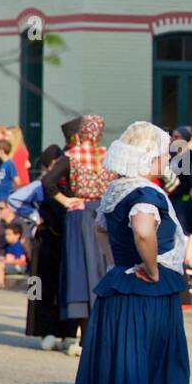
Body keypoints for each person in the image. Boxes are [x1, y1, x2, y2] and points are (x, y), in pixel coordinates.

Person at [62, 122, 189, 384]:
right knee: (139, 378)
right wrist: (149, 267)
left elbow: (102, 233)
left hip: (118, 288)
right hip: (145, 295)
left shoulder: (115, 189)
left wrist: (120, 264)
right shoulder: (146, 192)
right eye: (163, 152)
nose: (167, 158)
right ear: (149, 155)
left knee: (114, 376)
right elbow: (145, 230)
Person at [28, 119, 83, 351]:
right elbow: (19, 198)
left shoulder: (77, 170)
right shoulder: (54, 176)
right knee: (40, 285)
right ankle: (43, 330)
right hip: (48, 237)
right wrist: (31, 217)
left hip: (67, 236)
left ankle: (69, 332)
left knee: (70, 285)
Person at [59, 115, 114, 333]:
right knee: (101, 266)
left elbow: (47, 181)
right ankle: (102, 322)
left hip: (81, 215)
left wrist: (65, 200)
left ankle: (80, 327)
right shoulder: (108, 155)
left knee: (80, 269)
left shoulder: (72, 156)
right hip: (103, 213)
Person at [0, 138, 18, 219]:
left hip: (4, 198)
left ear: (1, 151)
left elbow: (17, 180)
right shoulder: (0, 164)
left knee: (1, 219)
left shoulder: (9, 164)